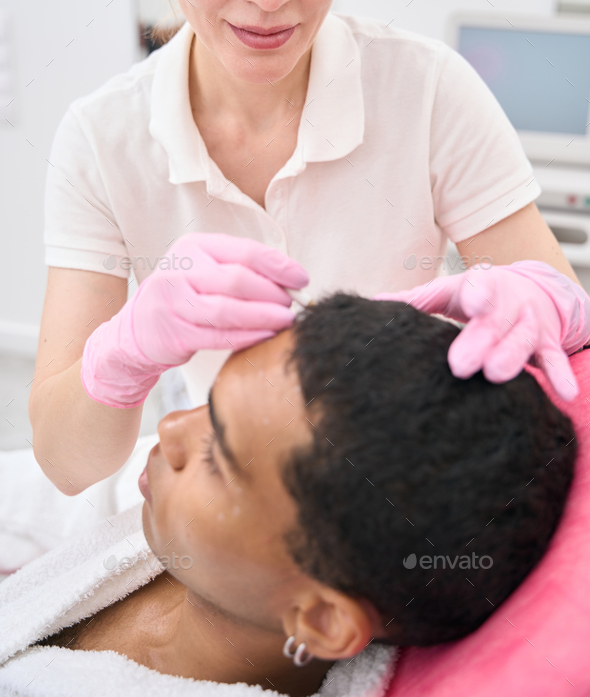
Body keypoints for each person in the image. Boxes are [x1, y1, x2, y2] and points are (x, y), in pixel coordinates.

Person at [29, 0, 588, 495]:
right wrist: (124, 354)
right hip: (236, 493)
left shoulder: (428, 90)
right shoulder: (101, 138)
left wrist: (547, 307)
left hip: (404, 482)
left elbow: (569, 338)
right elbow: (66, 464)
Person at [2, 297, 575, 695]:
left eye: (216, 456)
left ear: (322, 618)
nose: (173, 428)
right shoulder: (227, 544)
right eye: (210, 406)